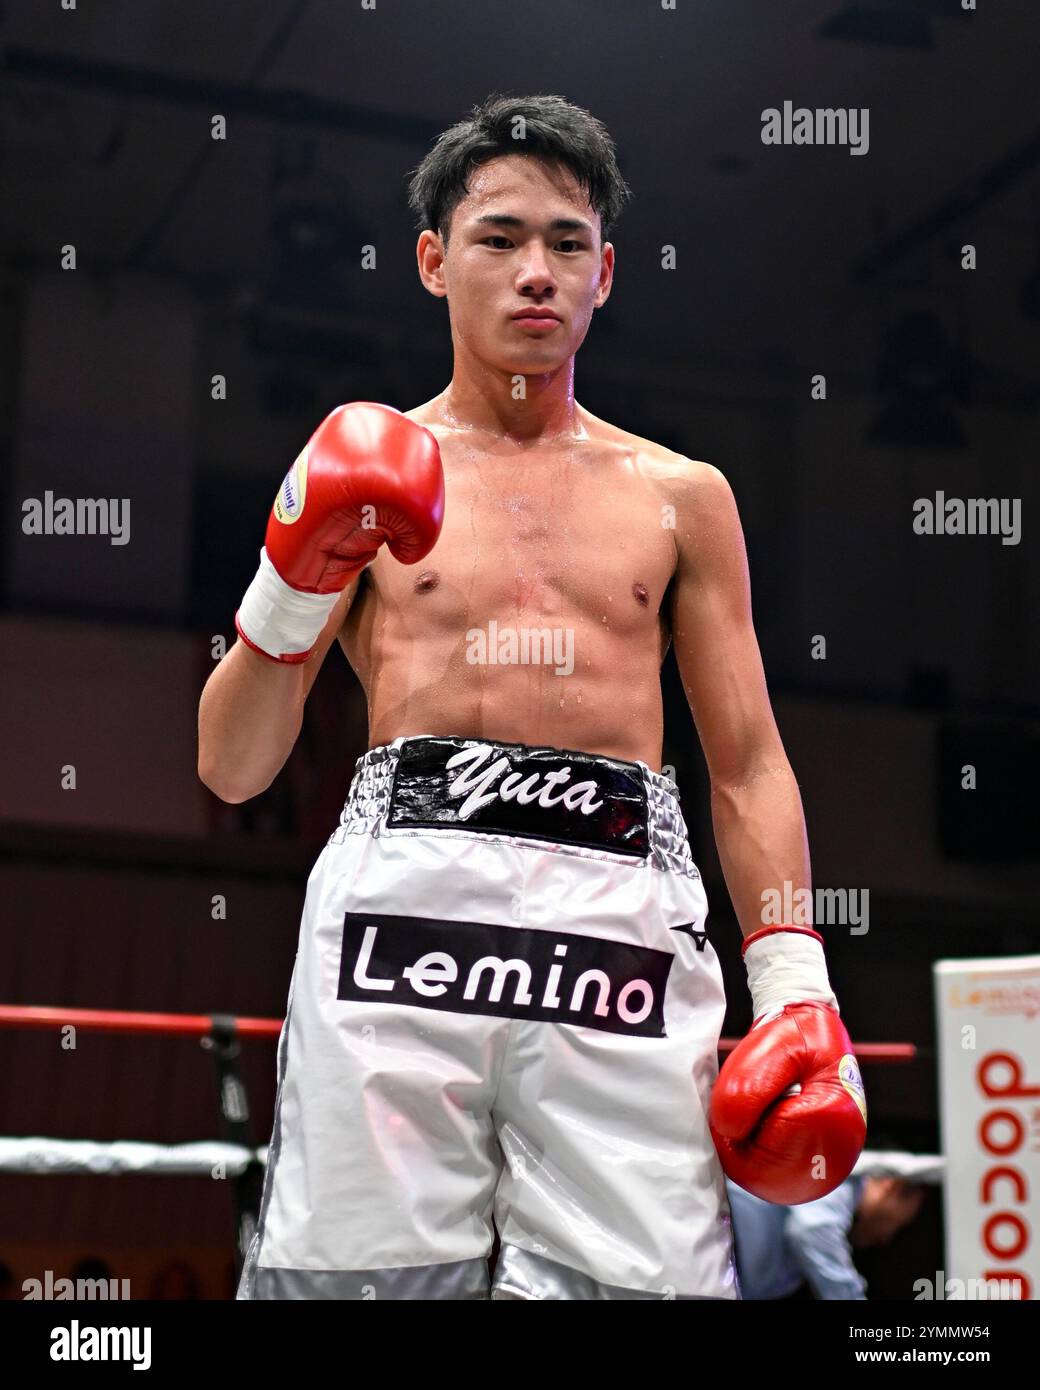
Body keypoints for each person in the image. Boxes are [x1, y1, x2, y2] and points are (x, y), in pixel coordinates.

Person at [198, 93, 866, 1301]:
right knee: (360, 1281)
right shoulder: (363, 469)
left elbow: (746, 764)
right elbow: (232, 766)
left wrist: (792, 986)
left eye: (567, 243)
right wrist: (293, 586)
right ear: (431, 260)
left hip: (618, 916)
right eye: (498, 238)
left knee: (644, 1287)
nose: (535, 272)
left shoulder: (681, 496)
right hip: (403, 904)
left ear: (605, 273)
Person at [728, 1174, 925, 1300]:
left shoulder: (805, 1266)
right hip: (724, 1225)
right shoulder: (843, 1177)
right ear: (891, 1187)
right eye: (900, 1227)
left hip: (725, 1267)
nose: (886, 1239)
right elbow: (809, 1230)